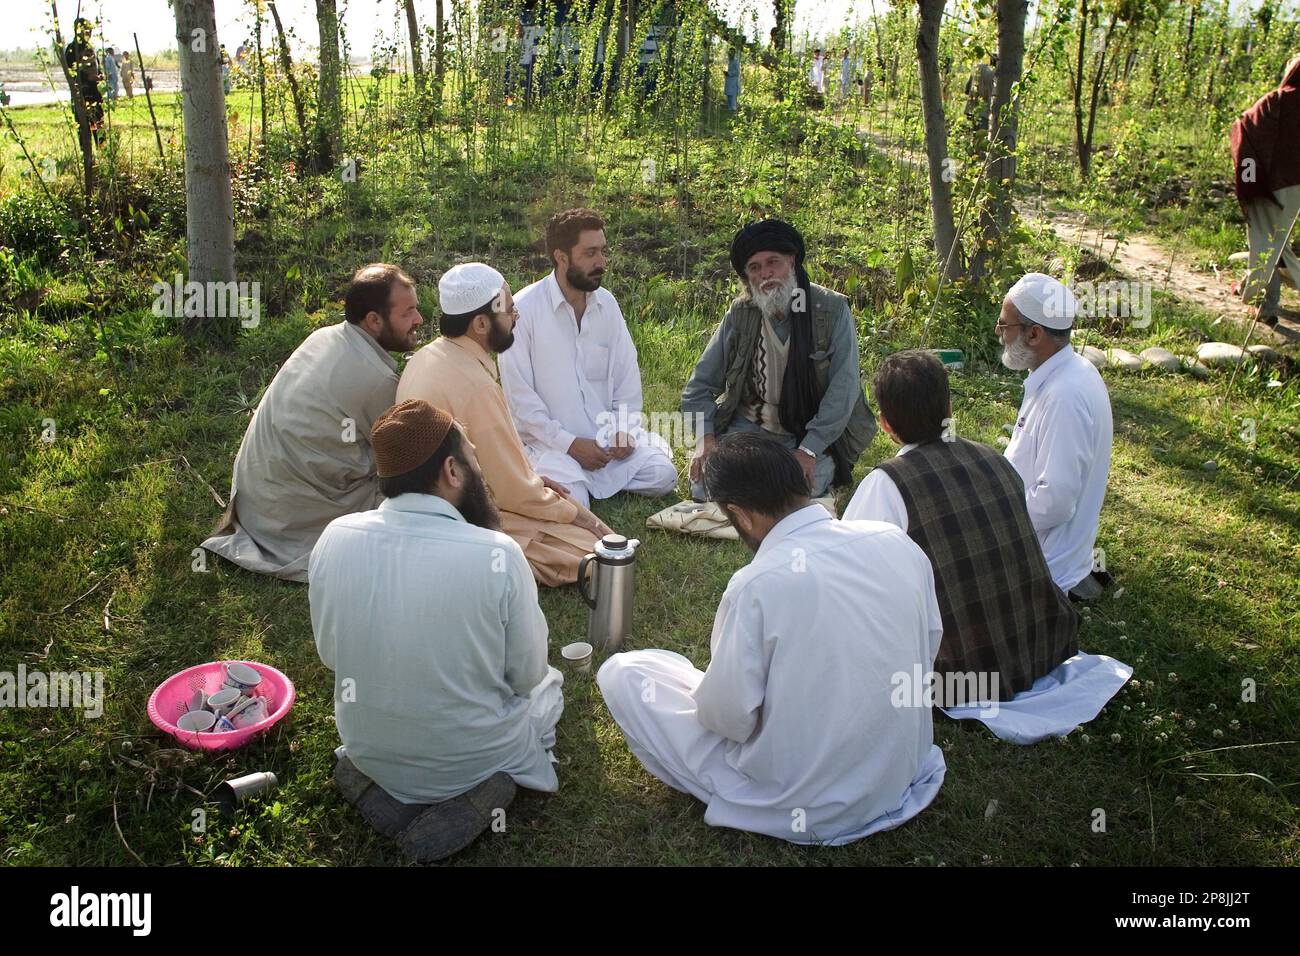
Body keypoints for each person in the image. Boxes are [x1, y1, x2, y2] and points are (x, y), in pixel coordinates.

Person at [599, 433, 946, 844]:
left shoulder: (759, 583)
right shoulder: (894, 542)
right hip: (897, 773)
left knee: (625, 673)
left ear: (740, 516)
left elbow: (729, 720)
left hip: (805, 800)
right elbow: (928, 644)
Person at [311, 399, 563, 861]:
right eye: (472, 458)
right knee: (549, 687)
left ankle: (380, 791)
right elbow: (525, 677)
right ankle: (480, 794)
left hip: (369, 750)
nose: (479, 473)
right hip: (475, 760)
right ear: (451, 470)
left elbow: (331, 655)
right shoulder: (499, 554)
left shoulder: (334, 536)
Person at [844, 350, 1078, 704]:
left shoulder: (886, 483)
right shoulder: (995, 459)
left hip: (962, 676)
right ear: (949, 408)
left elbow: (848, 578)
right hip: (1043, 643)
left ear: (886, 424)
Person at [201, 264, 422, 581]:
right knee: (420, 499)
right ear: (374, 320)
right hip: (292, 520)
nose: (419, 320)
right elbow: (405, 457)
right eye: (409, 313)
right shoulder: (375, 381)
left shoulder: (324, 336)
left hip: (257, 501)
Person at [397, 262, 612, 587]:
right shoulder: (477, 387)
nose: (517, 316)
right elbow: (513, 492)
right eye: (509, 310)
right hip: (461, 518)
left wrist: (533, 481)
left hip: (430, 506)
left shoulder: (430, 355)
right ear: (481, 323)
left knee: (567, 508)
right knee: (595, 551)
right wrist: (579, 516)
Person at [682, 218, 876, 500]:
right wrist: (705, 440)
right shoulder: (741, 314)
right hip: (748, 429)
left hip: (805, 435)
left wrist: (809, 450)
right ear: (747, 278)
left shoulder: (831, 310)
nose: (765, 274)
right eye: (755, 268)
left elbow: (844, 389)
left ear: (792, 262)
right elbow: (699, 386)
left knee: (798, 489)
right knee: (705, 485)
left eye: (773, 262)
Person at [503, 209, 677, 510]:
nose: (601, 262)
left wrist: (624, 429)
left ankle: (599, 480)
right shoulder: (524, 310)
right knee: (575, 503)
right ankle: (579, 485)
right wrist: (570, 444)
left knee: (663, 475)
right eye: (590, 253)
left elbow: (626, 376)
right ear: (562, 257)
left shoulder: (607, 305)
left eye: (602, 252)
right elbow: (521, 401)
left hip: (606, 444)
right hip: (552, 446)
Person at [997, 273, 1113, 600]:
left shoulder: (1065, 395)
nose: (999, 333)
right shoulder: (1065, 372)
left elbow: (1055, 503)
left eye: (1005, 326)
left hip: (1044, 565)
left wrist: (994, 514)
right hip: (1034, 540)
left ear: (1034, 334)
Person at [1231, 54, 1300, 326]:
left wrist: (1249, 180)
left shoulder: (1278, 101)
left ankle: (1265, 307)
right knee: (1278, 241)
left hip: (1270, 185)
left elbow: (1245, 130)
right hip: (1296, 188)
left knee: (1265, 241)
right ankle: (1251, 286)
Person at [64, 19, 105, 145]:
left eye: (90, 30)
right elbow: (71, 74)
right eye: (86, 30)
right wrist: (87, 77)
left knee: (99, 129)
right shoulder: (72, 50)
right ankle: (88, 162)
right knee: (84, 131)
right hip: (81, 95)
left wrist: (100, 75)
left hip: (95, 94)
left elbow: (98, 66)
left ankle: (103, 158)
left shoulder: (90, 47)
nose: (89, 33)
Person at [965, 56, 995, 131]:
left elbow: (967, 89)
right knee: (982, 138)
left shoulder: (977, 68)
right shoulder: (996, 75)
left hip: (973, 109)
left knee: (975, 135)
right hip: (986, 112)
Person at [724, 47, 741, 113]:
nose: (730, 54)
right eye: (729, 52)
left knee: (732, 96)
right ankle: (729, 109)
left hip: (734, 82)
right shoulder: (730, 61)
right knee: (728, 95)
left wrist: (729, 73)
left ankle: (733, 110)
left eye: (732, 52)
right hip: (729, 81)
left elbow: (737, 72)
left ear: (734, 53)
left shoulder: (736, 61)